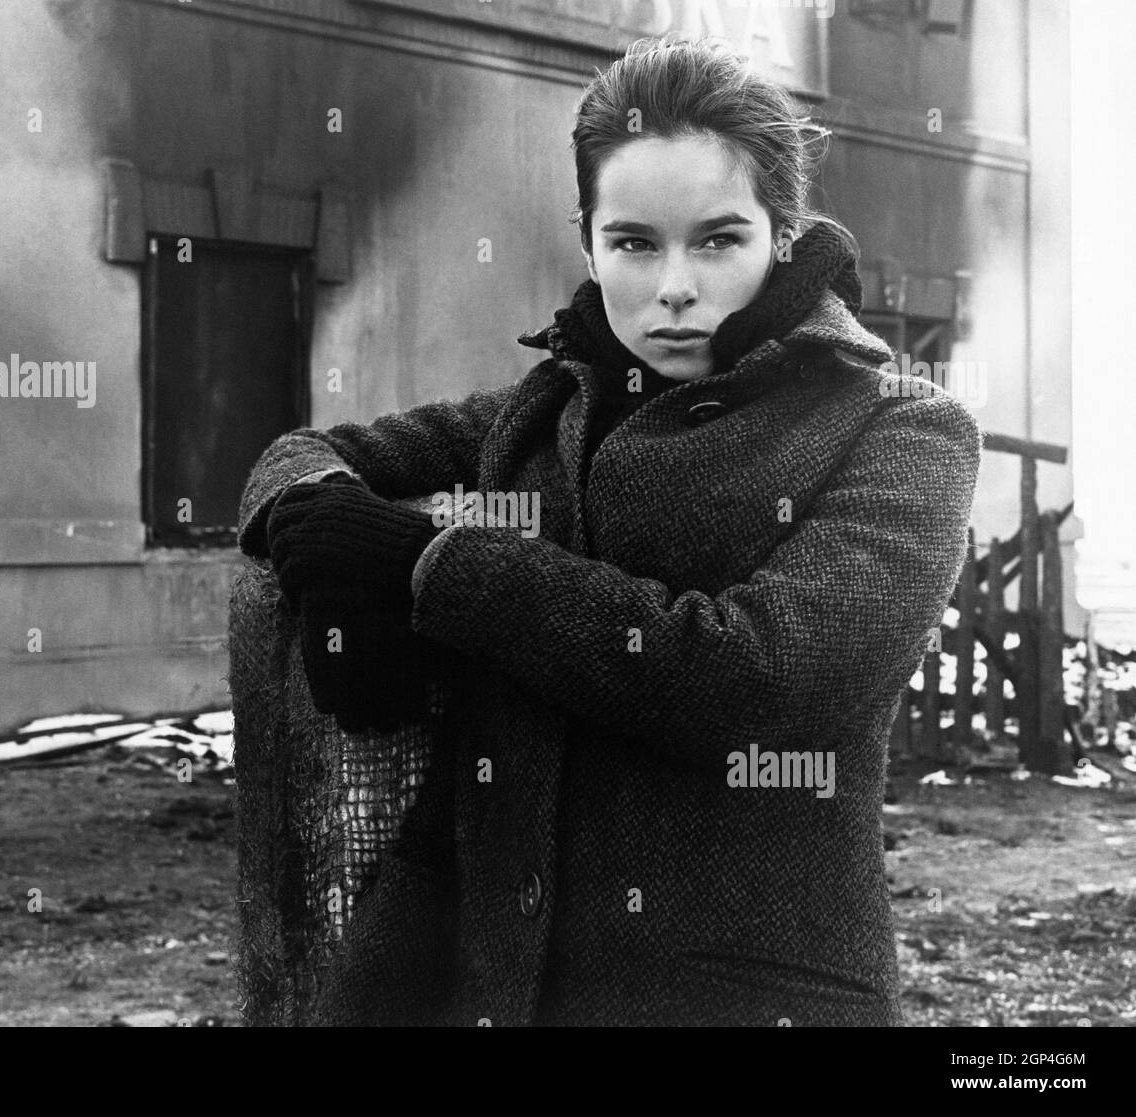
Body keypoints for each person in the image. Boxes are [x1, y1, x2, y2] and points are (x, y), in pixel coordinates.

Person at [236, 35, 981, 1026]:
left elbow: (754, 676)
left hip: (739, 991)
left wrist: (429, 569)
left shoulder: (897, 428)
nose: (673, 285)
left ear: (783, 238)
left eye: (718, 239)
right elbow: (298, 452)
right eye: (634, 242)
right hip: (464, 964)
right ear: (587, 241)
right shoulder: (548, 407)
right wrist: (322, 543)